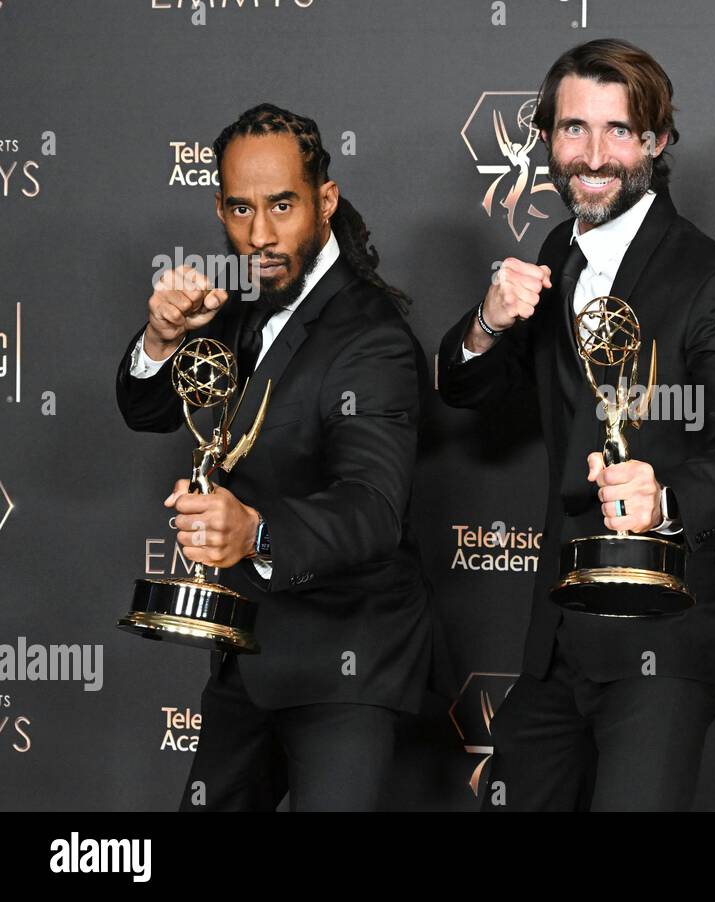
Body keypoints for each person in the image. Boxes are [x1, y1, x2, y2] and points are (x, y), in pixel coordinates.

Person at [438, 39, 715, 811]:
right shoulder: (556, 252)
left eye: (619, 131)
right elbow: (462, 390)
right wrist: (487, 323)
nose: (593, 155)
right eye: (573, 130)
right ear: (548, 141)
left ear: (656, 143)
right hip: (558, 634)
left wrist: (665, 500)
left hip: (669, 629)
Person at [116, 103, 433, 811]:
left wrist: (255, 531)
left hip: (347, 664)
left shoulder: (372, 339)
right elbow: (146, 411)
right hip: (249, 652)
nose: (260, 235)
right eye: (240, 209)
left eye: (283, 205)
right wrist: (162, 340)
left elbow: (374, 508)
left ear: (325, 200)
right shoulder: (236, 305)